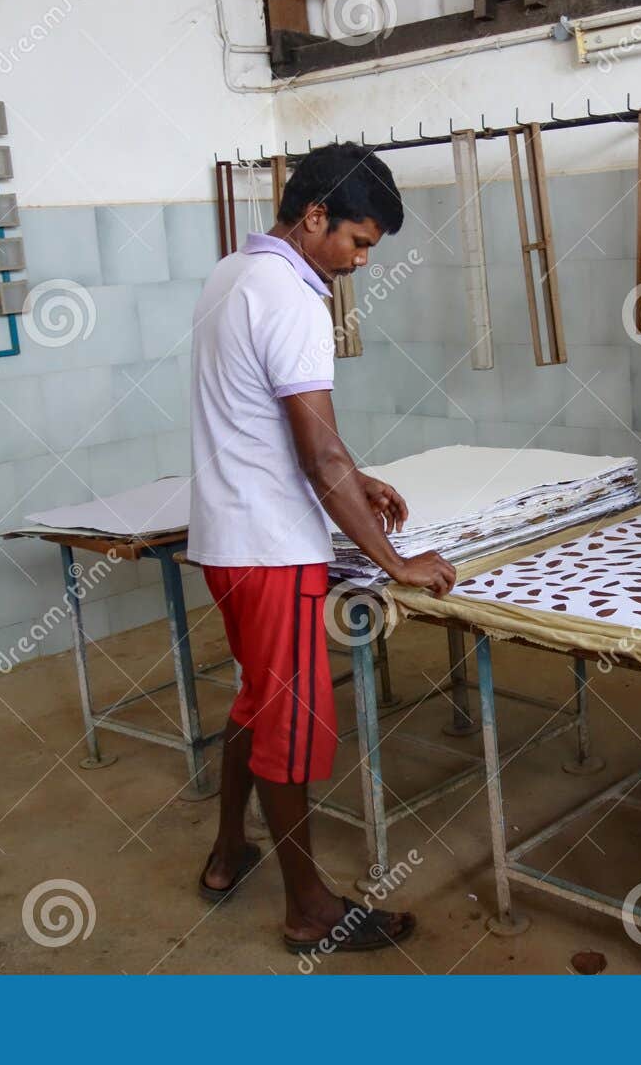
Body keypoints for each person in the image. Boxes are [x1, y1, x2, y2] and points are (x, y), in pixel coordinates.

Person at [187, 142, 455, 953]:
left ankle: (230, 850)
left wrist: (355, 476)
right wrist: (394, 562)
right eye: (358, 242)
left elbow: (269, 425)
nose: (361, 263)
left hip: (227, 540)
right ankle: (308, 907)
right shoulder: (296, 298)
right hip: (271, 549)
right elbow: (319, 456)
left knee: (253, 700)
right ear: (314, 218)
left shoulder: (230, 275)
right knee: (290, 727)